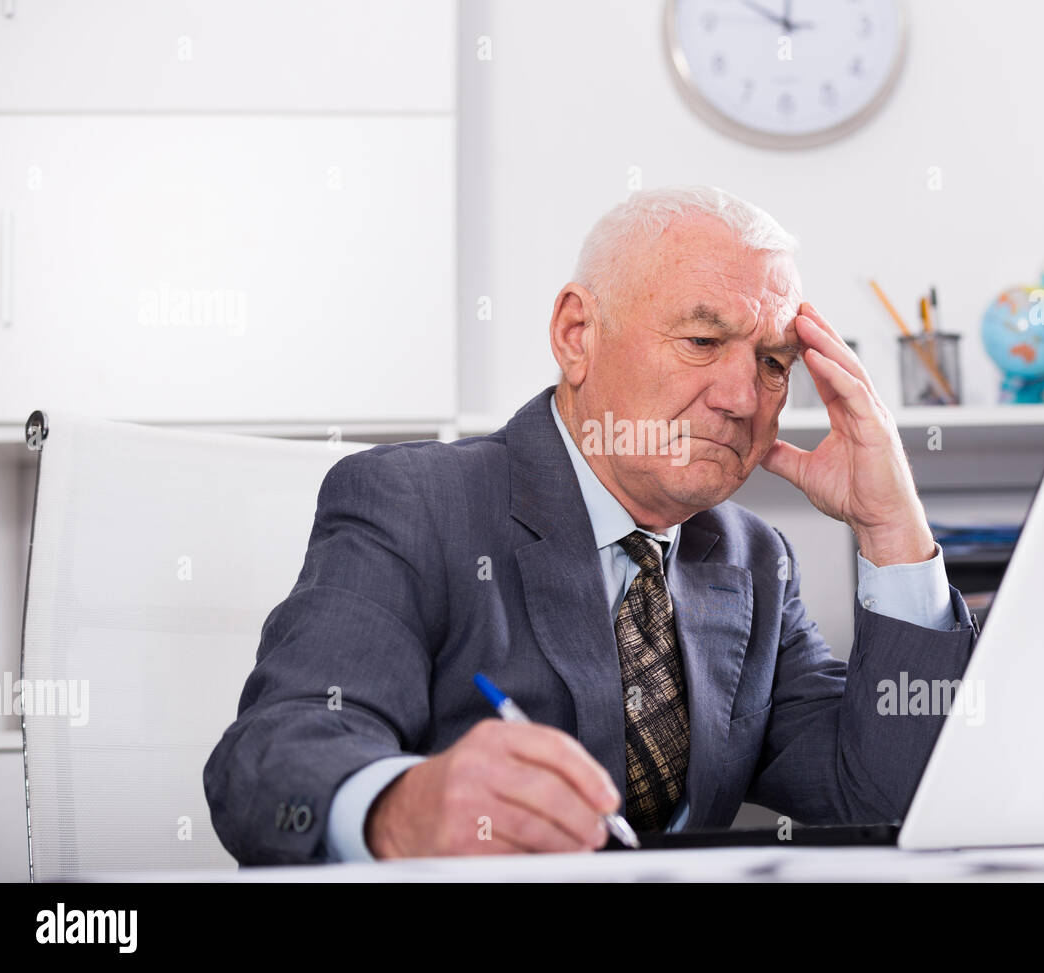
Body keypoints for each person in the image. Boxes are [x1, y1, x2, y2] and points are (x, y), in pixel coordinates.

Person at [204, 185, 978, 864]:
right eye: (703, 341)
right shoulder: (414, 502)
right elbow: (268, 756)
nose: (744, 397)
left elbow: (881, 795)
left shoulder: (753, 559)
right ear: (577, 335)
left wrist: (891, 527)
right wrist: (399, 807)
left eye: (775, 363)